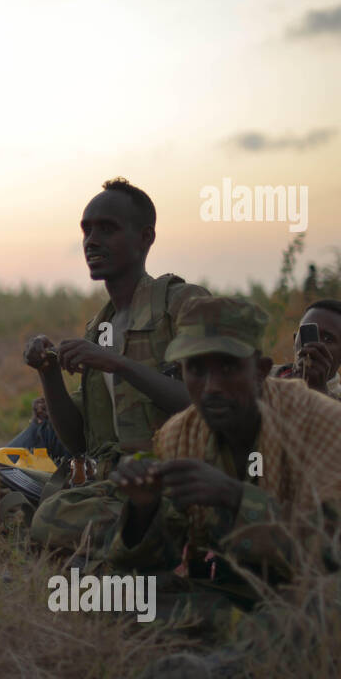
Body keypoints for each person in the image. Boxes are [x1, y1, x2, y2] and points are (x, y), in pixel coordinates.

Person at [101, 297, 341, 679]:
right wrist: (143, 511)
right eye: (196, 369)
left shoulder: (328, 424)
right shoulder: (179, 434)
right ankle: (247, 634)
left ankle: (213, 674)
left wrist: (234, 496)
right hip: (245, 587)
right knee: (120, 587)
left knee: (339, 604)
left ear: (262, 371)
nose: (210, 386)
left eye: (228, 368)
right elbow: (171, 558)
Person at [23, 177, 209, 560]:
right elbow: (81, 444)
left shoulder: (181, 304)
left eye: (107, 229)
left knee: (50, 516)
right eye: (86, 230)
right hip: (106, 483)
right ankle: (111, 538)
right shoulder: (101, 325)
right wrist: (49, 373)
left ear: (145, 238)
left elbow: (207, 406)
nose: (91, 241)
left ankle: (153, 544)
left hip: (167, 484)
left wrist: (117, 362)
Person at [271, 298, 341, 400]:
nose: (314, 346)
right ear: (295, 340)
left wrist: (319, 394)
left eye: (327, 339)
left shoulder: (340, 413)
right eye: (308, 334)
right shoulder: (263, 375)